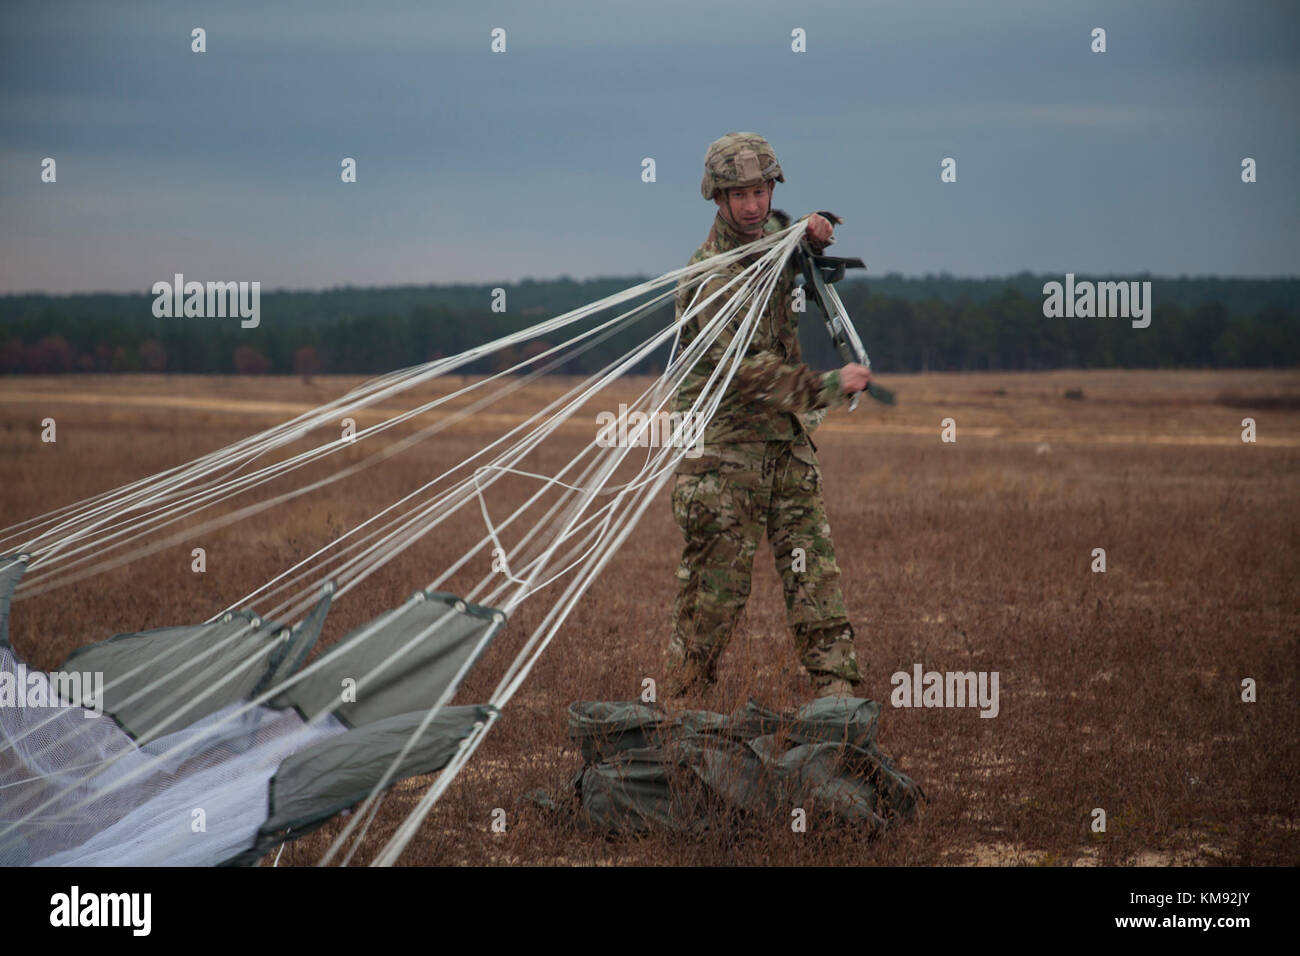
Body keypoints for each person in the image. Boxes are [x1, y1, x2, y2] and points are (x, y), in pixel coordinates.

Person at [664, 131, 872, 700]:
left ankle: (841, 701)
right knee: (713, 594)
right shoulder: (708, 281)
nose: (754, 205)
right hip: (724, 459)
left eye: (761, 191)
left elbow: (787, 231)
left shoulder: (772, 241)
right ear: (718, 199)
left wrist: (814, 224)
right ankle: (680, 711)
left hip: (785, 447)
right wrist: (830, 385)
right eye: (741, 195)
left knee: (815, 574)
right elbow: (749, 374)